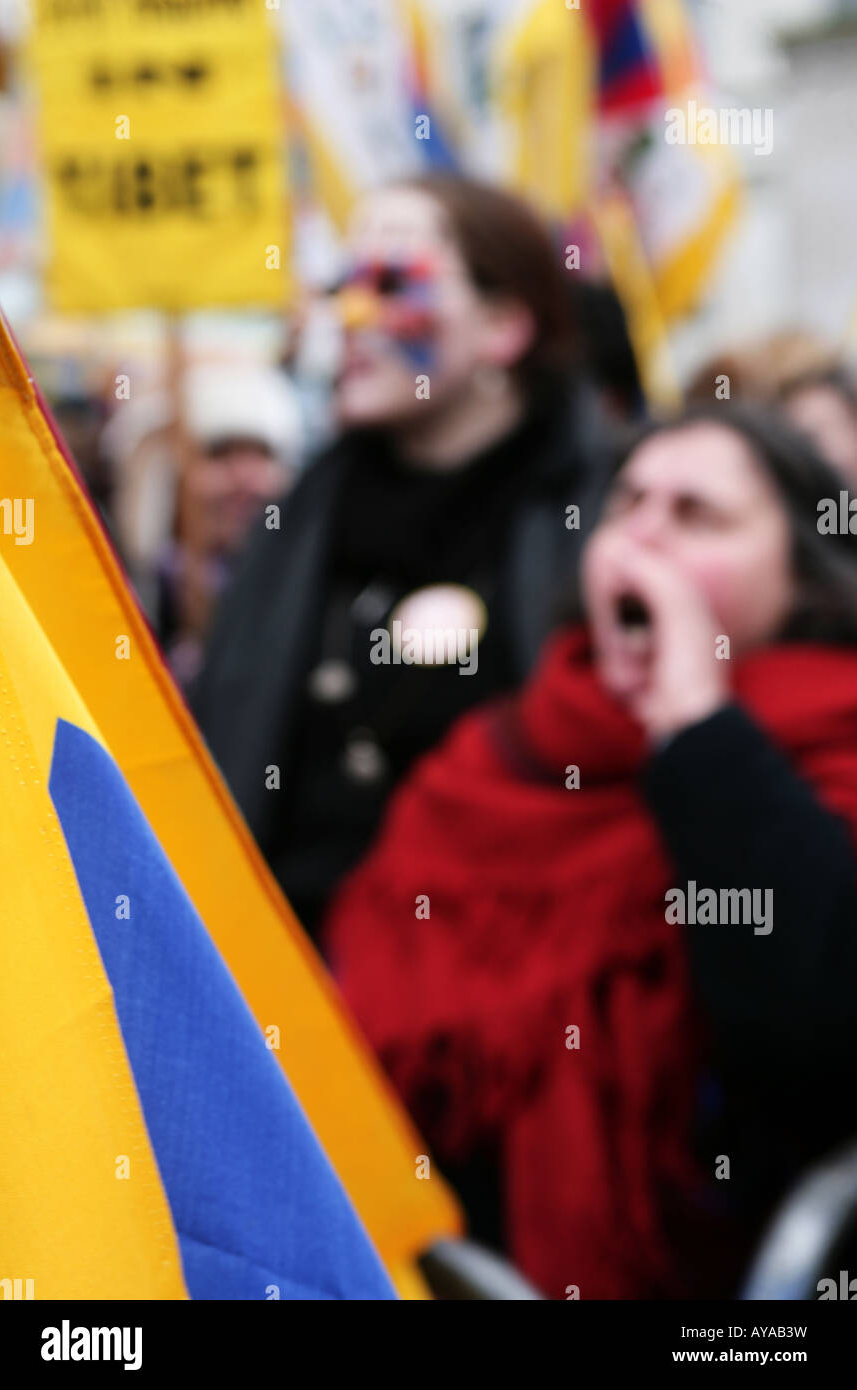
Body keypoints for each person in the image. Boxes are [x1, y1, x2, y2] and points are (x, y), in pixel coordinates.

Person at [323, 403, 857, 1300]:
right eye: (628, 504)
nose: (642, 541)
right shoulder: (503, 750)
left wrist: (693, 721)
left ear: (804, 580)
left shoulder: (833, 740)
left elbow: (813, 1036)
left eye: (696, 516)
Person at [193, 173, 611, 941]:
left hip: (508, 997)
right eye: (343, 285)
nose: (351, 316)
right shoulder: (296, 522)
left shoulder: (608, 517)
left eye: (391, 281)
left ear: (504, 326)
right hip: (295, 1002)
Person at [104, 364, 303, 689]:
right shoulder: (128, 597)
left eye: (262, 456)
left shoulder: (297, 591)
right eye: (220, 454)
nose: (246, 480)